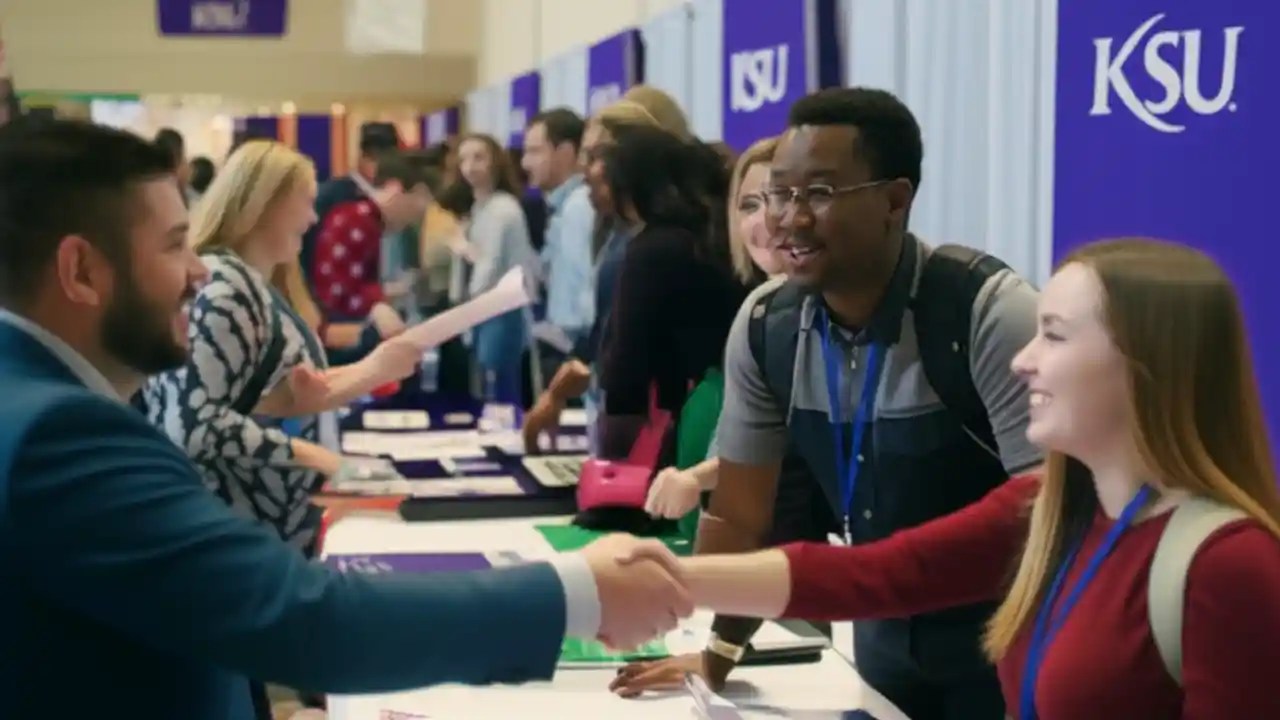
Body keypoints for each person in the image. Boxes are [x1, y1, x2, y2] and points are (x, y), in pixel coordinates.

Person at [0, 117, 694, 720]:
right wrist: (578, 593)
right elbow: (305, 619)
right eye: (174, 245)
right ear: (81, 272)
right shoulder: (57, 435)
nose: (199, 272)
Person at [620, 238, 1280, 718]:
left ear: (1144, 367)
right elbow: (878, 575)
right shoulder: (1049, 508)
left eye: (1053, 335)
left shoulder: (1228, 568)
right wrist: (662, 577)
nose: (1023, 361)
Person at [613, 88, 1041, 720]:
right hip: (879, 646)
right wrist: (720, 653)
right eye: (776, 193)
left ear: (895, 200)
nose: (789, 218)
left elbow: (1056, 515)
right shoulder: (766, 326)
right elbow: (740, 517)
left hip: (1007, 645)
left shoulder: (984, 312)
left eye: (818, 193)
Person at [142, 140, 421, 553]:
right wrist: (312, 455)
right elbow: (194, 425)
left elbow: (276, 397)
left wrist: (377, 368)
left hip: (260, 527)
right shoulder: (223, 286)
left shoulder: (253, 283)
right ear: (264, 204)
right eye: (305, 203)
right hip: (231, 531)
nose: (313, 218)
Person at [522, 97, 691, 454]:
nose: (585, 170)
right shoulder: (618, 233)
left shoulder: (654, 246)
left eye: (596, 156)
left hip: (650, 437)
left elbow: (629, 367)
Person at [584, 125, 747, 472]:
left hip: (677, 422)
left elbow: (628, 360)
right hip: (727, 412)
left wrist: (612, 460)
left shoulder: (652, 249)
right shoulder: (713, 233)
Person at [644, 136, 783, 522]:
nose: (765, 219)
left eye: (779, 198)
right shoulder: (761, 308)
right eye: (749, 204)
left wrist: (696, 478)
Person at [451, 133, 539, 404]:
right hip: (486, 308)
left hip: (500, 307)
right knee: (488, 381)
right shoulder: (480, 207)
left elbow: (489, 264)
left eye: (479, 157)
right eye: (464, 159)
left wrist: (466, 306)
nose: (470, 166)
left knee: (498, 382)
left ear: (495, 163)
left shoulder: (502, 208)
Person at [310, 151, 434, 322]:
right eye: (417, 202)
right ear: (395, 188)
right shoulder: (356, 222)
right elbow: (340, 295)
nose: (415, 217)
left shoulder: (367, 221)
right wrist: (384, 294)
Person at [523, 108, 595, 355]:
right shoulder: (561, 207)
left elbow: (587, 287)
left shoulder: (580, 206)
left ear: (564, 153)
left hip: (579, 348)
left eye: (534, 151)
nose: (525, 163)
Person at [300, 121, 400, 295]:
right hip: (331, 299)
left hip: (377, 297)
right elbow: (309, 249)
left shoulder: (393, 199)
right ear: (364, 157)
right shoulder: (330, 196)